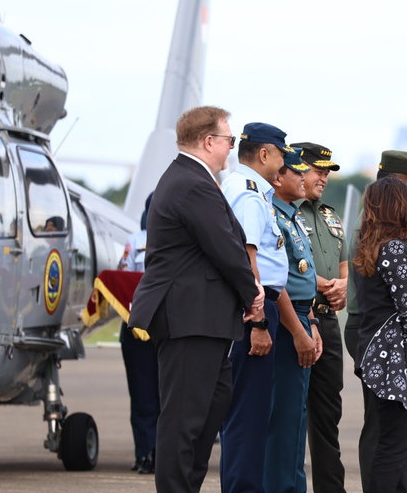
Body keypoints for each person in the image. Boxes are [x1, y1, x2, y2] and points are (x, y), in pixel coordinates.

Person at [128, 105, 265, 493]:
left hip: (205, 319)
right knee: (184, 423)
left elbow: (228, 242)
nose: (231, 149)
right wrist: (252, 295)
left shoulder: (195, 180)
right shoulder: (191, 183)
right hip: (190, 319)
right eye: (229, 140)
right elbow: (226, 248)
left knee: (206, 417)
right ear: (208, 141)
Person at [344, 150, 407, 493]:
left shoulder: (373, 242)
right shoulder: (395, 250)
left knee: (388, 440)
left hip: (378, 350)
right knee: (394, 444)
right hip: (394, 354)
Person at [219, 122, 294, 492]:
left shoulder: (243, 188)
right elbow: (248, 263)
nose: (284, 165)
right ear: (264, 154)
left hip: (251, 308)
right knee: (249, 416)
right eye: (281, 156)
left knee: (246, 415)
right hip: (255, 312)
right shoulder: (250, 196)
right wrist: (260, 323)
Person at [292, 141, 348, 493]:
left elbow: (344, 261)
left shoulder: (330, 215)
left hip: (327, 320)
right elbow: (281, 266)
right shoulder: (283, 212)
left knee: (328, 412)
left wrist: (343, 285)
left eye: (327, 172)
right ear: (298, 169)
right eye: (318, 170)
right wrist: (313, 283)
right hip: (297, 316)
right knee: (291, 412)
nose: (323, 178)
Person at [267, 147, 321, 493]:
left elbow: (304, 278)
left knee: (296, 418)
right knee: (283, 419)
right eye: (297, 172)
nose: (305, 177)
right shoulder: (272, 215)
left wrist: (312, 323)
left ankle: (292, 486)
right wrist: (299, 330)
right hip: (287, 320)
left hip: (302, 314)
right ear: (278, 178)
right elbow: (278, 282)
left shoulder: (292, 216)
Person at [118, 193, 160, 475]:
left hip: (172, 325)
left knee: (170, 396)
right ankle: (145, 452)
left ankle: (166, 455)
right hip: (138, 327)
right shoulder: (135, 240)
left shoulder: (184, 238)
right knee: (143, 394)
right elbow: (123, 277)